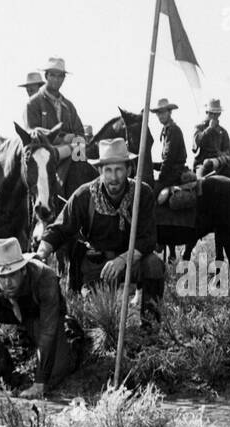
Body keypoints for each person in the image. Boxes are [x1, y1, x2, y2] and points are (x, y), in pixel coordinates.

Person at [35, 137, 166, 323]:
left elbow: (148, 239)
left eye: (119, 169)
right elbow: (59, 229)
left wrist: (122, 260)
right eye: (108, 170)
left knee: (153, 264)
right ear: (100, 171)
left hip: (131, 261)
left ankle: (150, 325)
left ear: (129, 170)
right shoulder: (84, 195)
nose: (114, 177)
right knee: (99, 321)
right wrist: (41, 254)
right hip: (98, 266)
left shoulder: (141, 193)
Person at [0, 238, 81, 401]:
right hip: (9, 310)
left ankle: (70, 345)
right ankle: (0, 364)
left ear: (23, 270)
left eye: (12, 275)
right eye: (2, 277)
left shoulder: (45, 278)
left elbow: (48, 332)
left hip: (40, 316)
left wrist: (39, 383)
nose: (7, 283)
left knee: (56, 371)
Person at [25, 57, 86, 140]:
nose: (56, 79)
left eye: (60, 76)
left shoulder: (69, 106)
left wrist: (74, 138)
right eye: (52, 75)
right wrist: (61, 139)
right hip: (43, 147)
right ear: (46, 76)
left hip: (69, 147)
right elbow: (31, 134)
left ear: (64, 78)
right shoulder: (33, 103)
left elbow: (81, 134)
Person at [153, 98, 189, 190]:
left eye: (163, 112)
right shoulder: (167, 130)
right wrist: (151, 165)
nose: (160, 116)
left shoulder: (173, 130)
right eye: (158, 113)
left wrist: (161, 176)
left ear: (170, 112)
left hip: (175, 173)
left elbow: (169, 159)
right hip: (172, 171)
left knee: (154, 191)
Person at [191, 98, 230, 170]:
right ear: (207, 113)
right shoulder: (199, 128)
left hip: (218, 164)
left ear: (219, 114)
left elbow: (228, 149)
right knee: (201, 174)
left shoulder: (223, 132)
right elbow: (196, 144)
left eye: (216, 114)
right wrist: (209, 129)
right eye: (211, 113)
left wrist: (223, 154)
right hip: (202, 164)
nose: (213, 116)